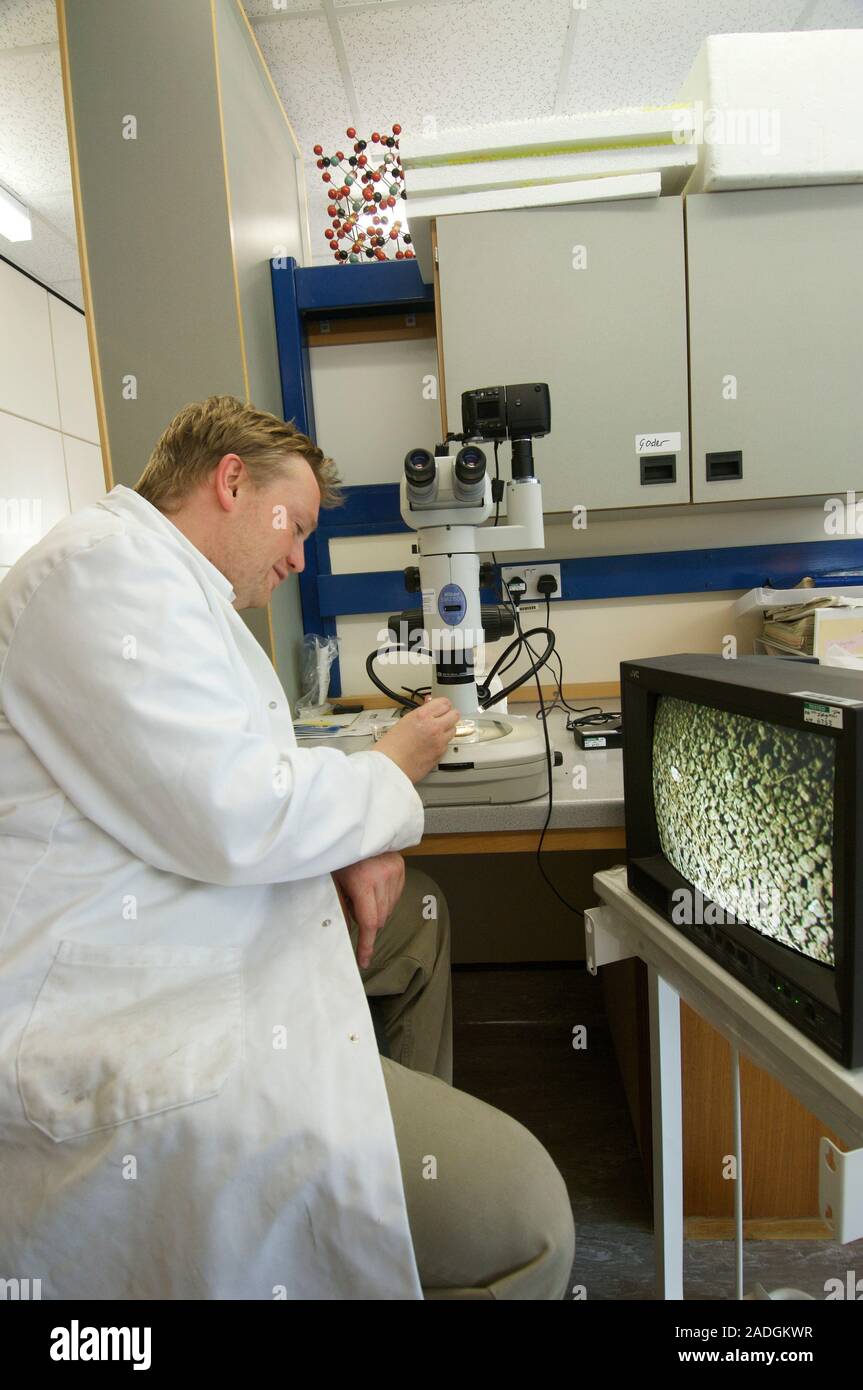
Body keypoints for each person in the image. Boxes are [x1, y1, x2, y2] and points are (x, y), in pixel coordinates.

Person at [0, 394, 574, 1299]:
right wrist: (389, 770)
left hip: (196, 908)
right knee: (527, 1222)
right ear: (231, 481)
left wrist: (355, 836)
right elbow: (235, 812)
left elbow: (224, 775)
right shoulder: (101, 576)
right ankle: (364, 1173)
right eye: (295, 525)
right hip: (127, 997)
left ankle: (376, 1143)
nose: (301, 557)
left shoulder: (171, 588)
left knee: (418, 913)